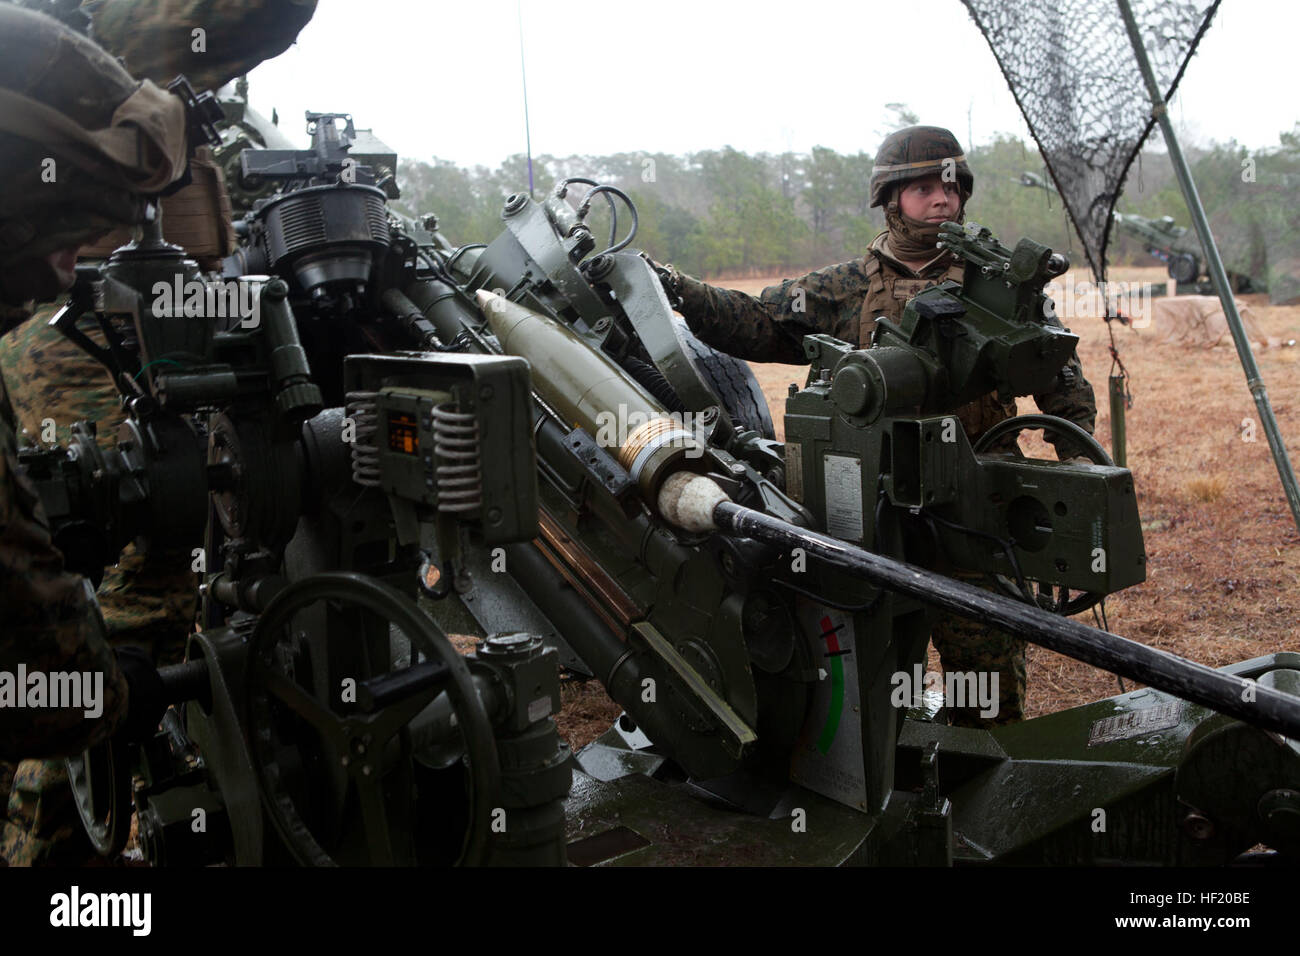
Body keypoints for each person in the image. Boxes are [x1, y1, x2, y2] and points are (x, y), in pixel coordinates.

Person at [0, 0, 316, 865]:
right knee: (141, 579)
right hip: (105, 332)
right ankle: (55, 846)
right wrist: (99, 693)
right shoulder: (106, 34)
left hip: (147, 319)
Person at [658, 126, 1098, 727]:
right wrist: (677, 289)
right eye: (923, 188)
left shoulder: (1000, 291)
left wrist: (1076, 462)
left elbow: (1061, 376)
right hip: (870, 513)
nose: (942, 200)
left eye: (951, 188)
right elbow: (756, 322)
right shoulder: (846, 287)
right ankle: (903, 775)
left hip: (974, 512)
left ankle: (982, 785)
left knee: (983, 680)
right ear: (891, 199)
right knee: (880, 674)